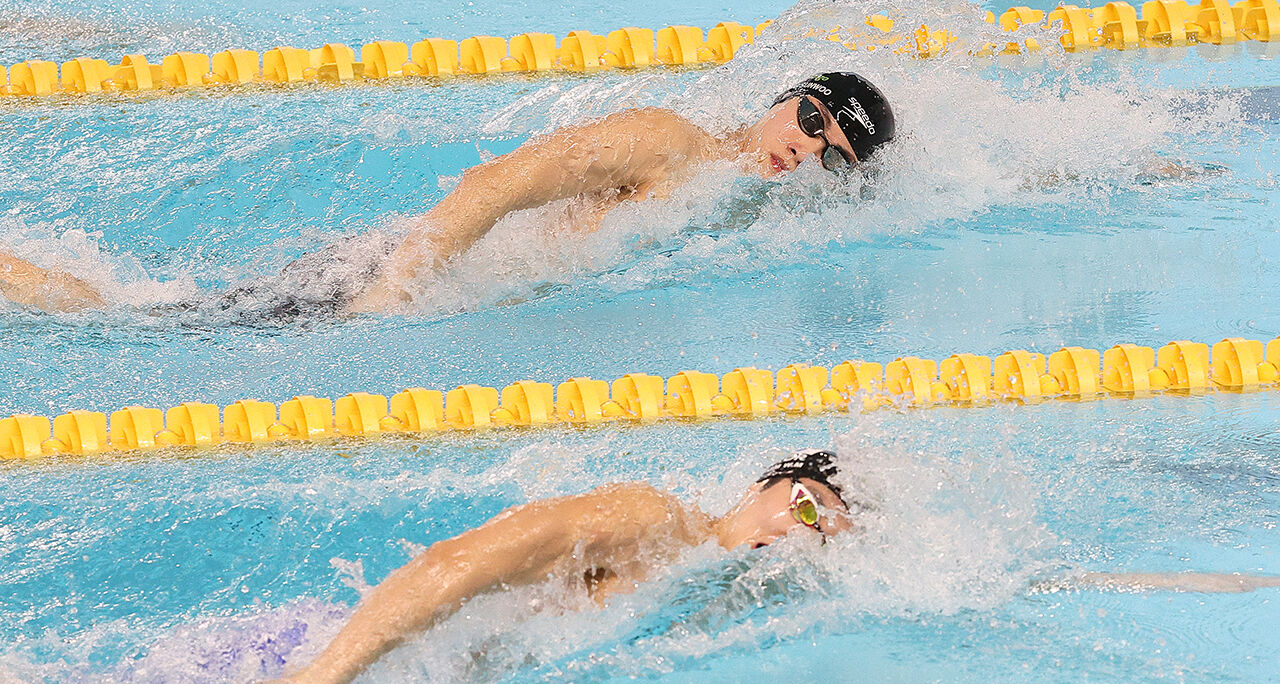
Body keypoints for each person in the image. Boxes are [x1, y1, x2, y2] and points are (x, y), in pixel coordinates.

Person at [227, 449, 1280, 684]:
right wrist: (319, 680)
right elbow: (460, 567)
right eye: (808, 504)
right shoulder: (652, 520)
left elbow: (991, 587)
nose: (804, 535)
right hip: (309, 661)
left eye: (832, 533)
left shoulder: (719, 596)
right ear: (770, 481)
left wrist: (1217, 584)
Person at [0, 72, 898, 322]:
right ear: (783, 95)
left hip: (418, 276)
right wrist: (397, 287)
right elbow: (498, 182)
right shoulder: (668, 141)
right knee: (139, 319)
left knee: (161, 314)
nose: (807, 144)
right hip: (392, 275)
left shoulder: (724, 200)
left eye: (834, 151)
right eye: (811, 115)